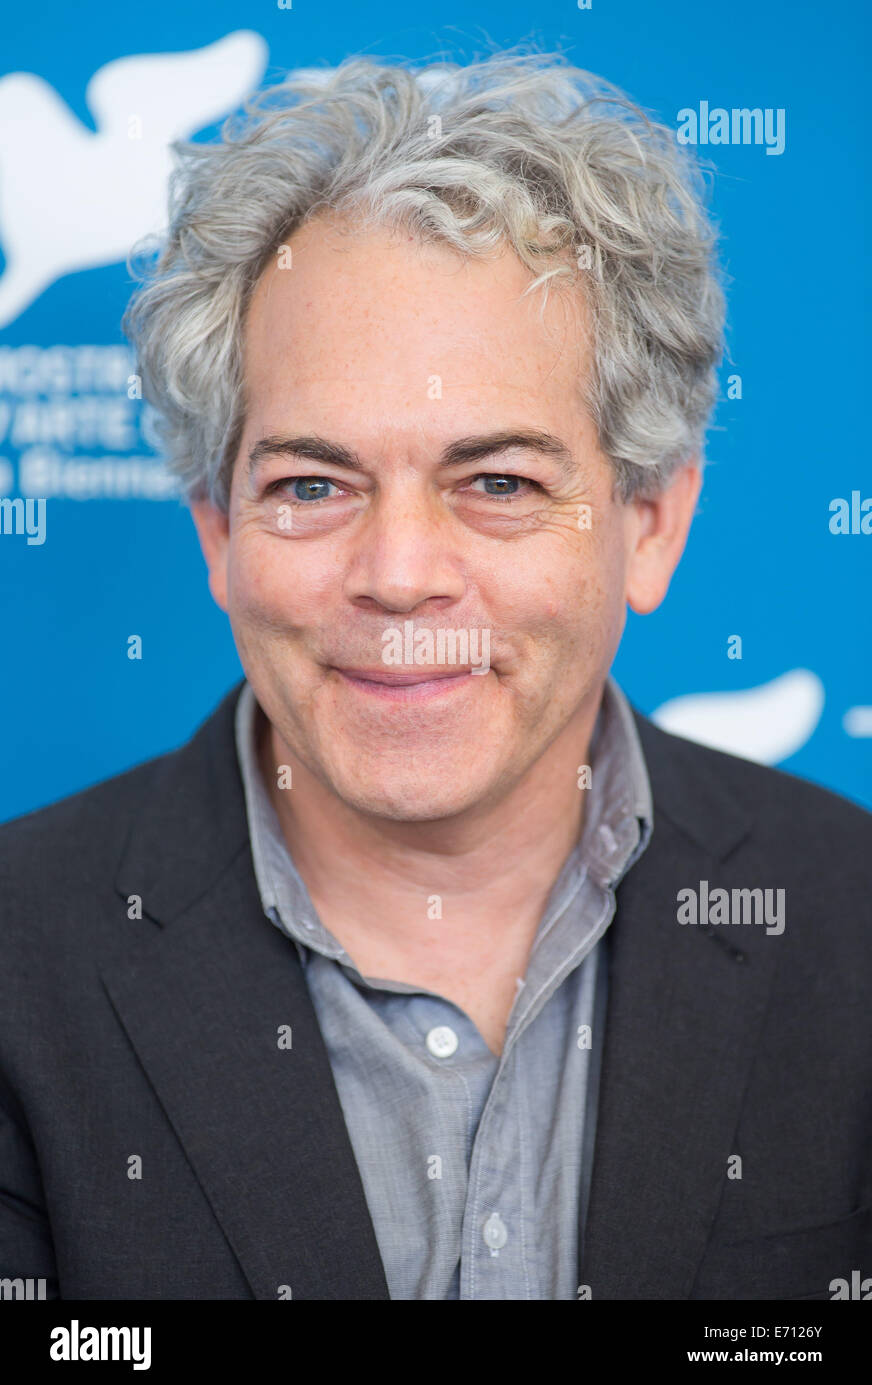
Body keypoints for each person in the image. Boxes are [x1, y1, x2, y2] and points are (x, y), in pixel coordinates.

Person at [1, 53, 869, 1301]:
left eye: (498, 483)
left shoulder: (851, 920)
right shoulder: (16, 960)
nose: (399, 574)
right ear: (217, 532)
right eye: (311, 485)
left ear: (650, 524)